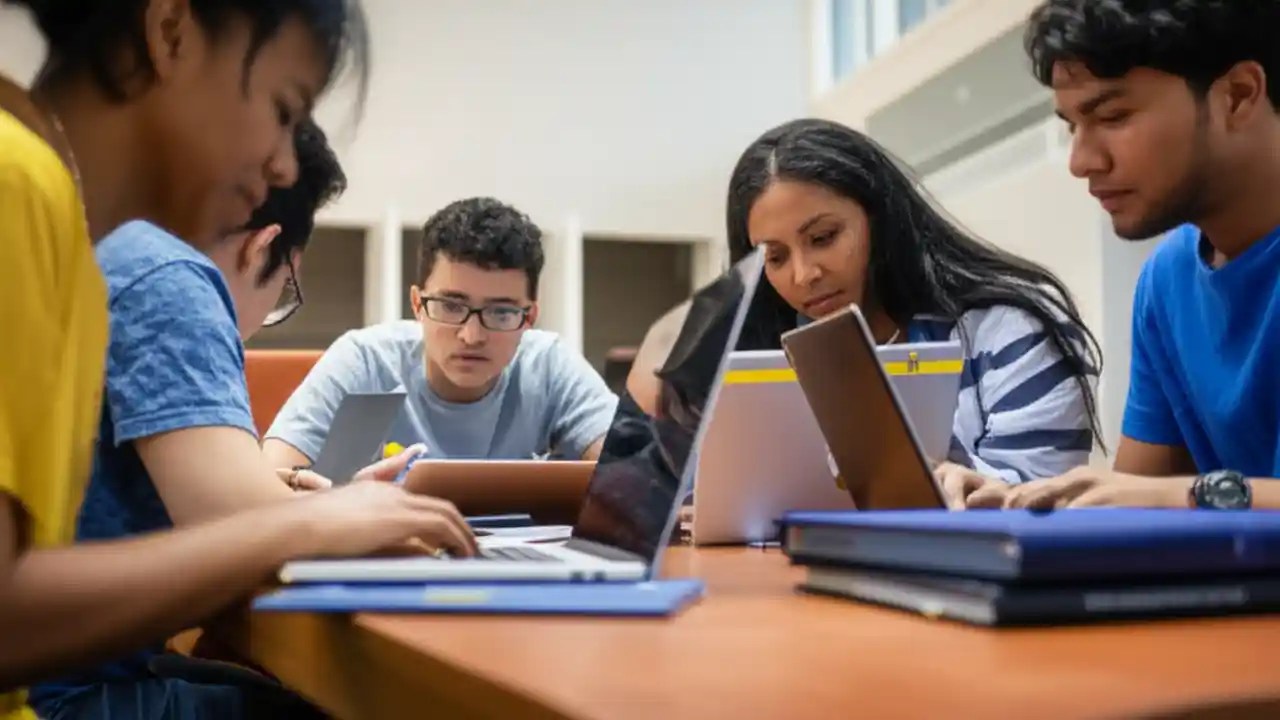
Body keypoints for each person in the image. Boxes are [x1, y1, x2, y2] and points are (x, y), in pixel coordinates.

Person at [0, 3, 474, 719]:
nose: (285, 163)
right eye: (283, 110)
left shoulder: (70, 232)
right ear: (170, 32)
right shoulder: (36, 194)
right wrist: (304, 525)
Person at [973, 0, 1280, 512]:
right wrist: (1018, 502)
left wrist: (1188, 494)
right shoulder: (1168, 278)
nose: (1080, 161)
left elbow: (1158, 496)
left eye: (1113, 116)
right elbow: (1130, 501)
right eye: (1072, 126)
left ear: (1238, 95)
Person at [723, 118, 1104, 507]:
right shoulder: (767, 361)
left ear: (878, 217)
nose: (804, 275)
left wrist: (934, 475)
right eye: (775, 257)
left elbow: (1043, 498)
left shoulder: (1009, 329)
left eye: (823, 238)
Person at [263, 196, 619, 471]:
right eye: (451, 306)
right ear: (417, 304)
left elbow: (635, 479)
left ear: (530, 318)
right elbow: (271, 478)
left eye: (501, 312)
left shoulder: (549, 365)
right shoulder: (367, 362)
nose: (472, 335)